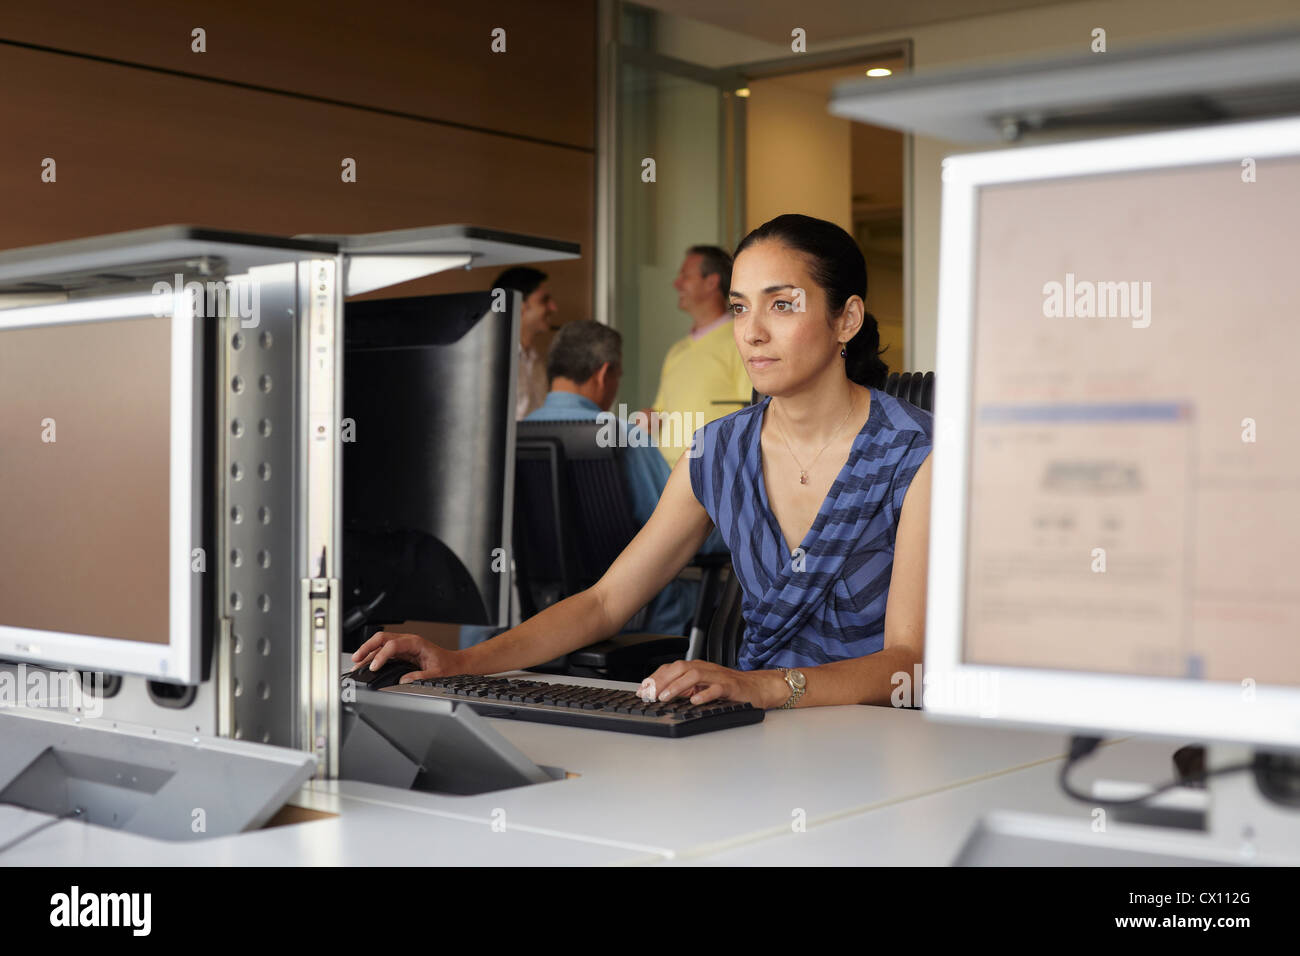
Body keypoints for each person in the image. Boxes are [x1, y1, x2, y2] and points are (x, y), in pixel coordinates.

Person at [358, 214, 933, 711]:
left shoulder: (918, 453)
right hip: (757, 733)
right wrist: (462, 660)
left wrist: (763, 687)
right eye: (739, 309)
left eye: (782, 305)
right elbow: (606, 602)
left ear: (846, 320)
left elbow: (909, 663)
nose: (752, 333)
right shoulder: (717, 450)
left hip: (876, 736)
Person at [520, 320, 698, 636]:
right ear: (604, 374)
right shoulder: (625, 438)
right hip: (640, 619)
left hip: (541, 617)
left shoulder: (512, 439)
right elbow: (684, 527)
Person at [644, 246, 752, 468]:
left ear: (711, 282)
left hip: (716, 478)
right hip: (667, 479)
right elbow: (660, 413)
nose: (676, 283)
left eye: (685, 275)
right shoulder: (676, 350)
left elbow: (752, 413)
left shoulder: (740, 341)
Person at [493, 266, 558, 420]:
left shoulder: (536, 360)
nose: (554, 308)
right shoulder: (494, 361)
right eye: (544, 300)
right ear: (519, 306)